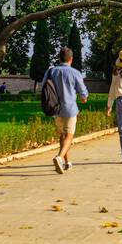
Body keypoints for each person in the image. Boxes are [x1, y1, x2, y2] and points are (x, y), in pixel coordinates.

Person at [44, 46, 89, 174]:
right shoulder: (75, 73)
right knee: (69, 135)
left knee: (62, 135)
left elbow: (44, 85)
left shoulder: (51, 71)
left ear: (59, 58)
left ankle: (66, 162)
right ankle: (59, 157)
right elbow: (82, 91)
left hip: (55, 108)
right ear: (71, 59)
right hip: (70, 108)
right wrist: (84, 97)